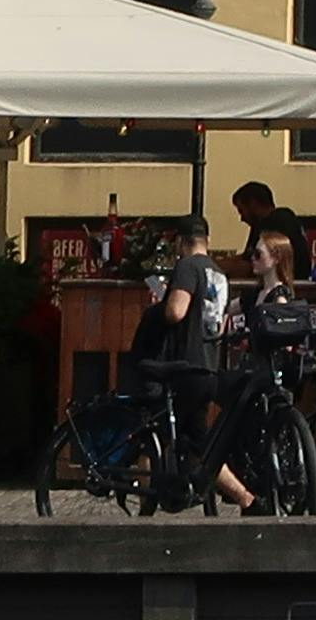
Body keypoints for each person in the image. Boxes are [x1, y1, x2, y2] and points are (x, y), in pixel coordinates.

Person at [139, 216, 232, 518]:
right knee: (198, 443)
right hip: (208, 365)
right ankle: (243, 497)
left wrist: (160, 305)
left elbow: (176, 312)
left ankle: (147, 499)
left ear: (181, 241)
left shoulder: (187, 267)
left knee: (151, 431)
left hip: (182, 367)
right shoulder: (219, 273)